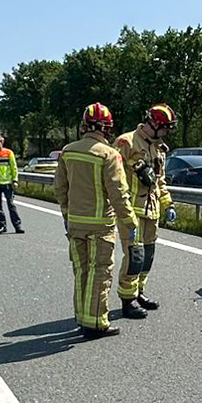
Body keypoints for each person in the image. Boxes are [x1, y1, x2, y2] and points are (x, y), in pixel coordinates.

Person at [52, 103, 141, 338]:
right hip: (101, 225)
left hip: (75, 223)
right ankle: (96, 323)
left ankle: (82, 317)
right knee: (100, 273)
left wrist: (67, 214)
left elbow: (60, 188)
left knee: (81, 271)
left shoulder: (68, 151)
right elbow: (118, 194)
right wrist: (131, 223)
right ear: (106, 127)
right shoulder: (109, 154)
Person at [113, 103, 178, 319]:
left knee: (148, 255)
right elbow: (114, 178)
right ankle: (127, 299)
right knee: (135, 255)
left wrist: (168, 203)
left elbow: (160, 180)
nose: (167, 132)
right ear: (153, 124)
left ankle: (139, 292)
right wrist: (121, 209)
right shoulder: (126, 143)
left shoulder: (159, 148)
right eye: (165, 127)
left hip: (152, 211)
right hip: (132, 211)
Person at [0, 134, 23, 234]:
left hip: (7, 183)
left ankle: (17, 226)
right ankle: (2, 226)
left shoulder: (8, 153)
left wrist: (15, 180)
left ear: (2, 142)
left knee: (11, 205)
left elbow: (14, 167)